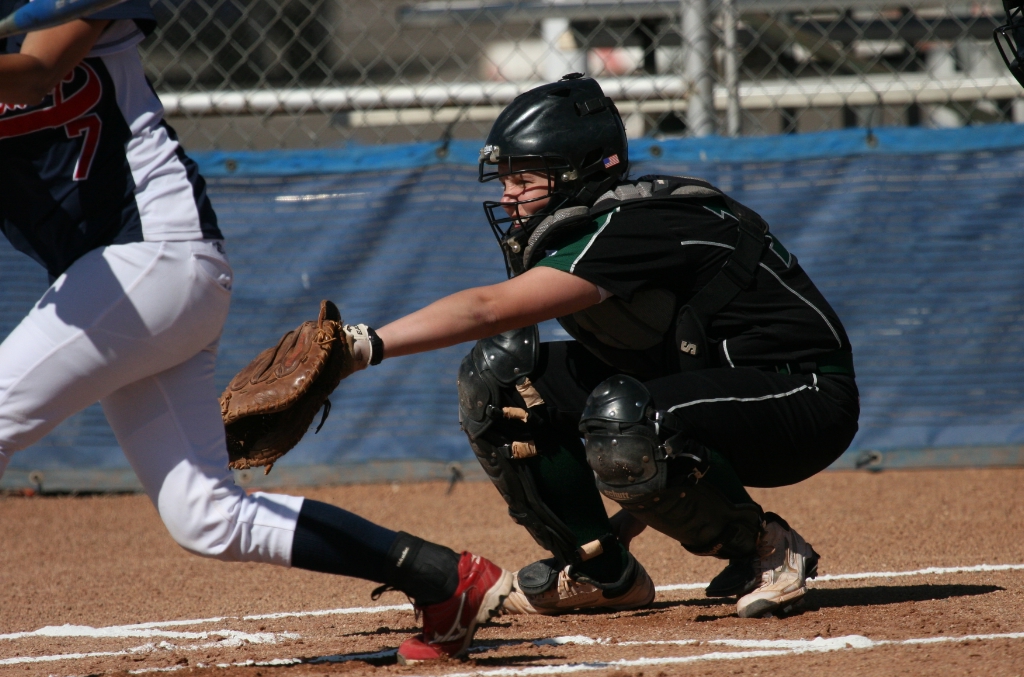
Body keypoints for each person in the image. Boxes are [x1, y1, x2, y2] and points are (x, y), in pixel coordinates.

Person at [0, 1, 511, 664]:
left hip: (155, 252)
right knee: (204, 515)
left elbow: (39, 70)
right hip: (121, 285)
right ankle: (444, 577)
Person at [343, 74, 860, 619]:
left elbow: (486, 309)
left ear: (576, 170)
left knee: (623, 413)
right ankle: (604, 572)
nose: (507, 195)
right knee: (502, 380)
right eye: (503, 179)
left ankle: (767, 548)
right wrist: (627, 514)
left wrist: (366, 347)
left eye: (523, 177)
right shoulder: (594, 225)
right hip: (722, 396)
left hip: (805, 396)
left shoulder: (636, 225)